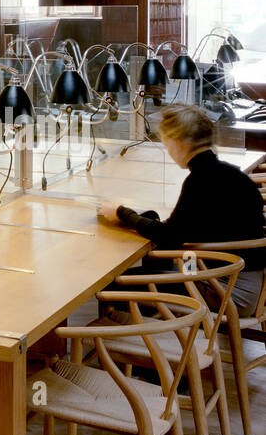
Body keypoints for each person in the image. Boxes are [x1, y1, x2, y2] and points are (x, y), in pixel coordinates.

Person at [100, 105, 266, 315]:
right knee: (154, 263)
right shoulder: (230, 174)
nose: (167, 149)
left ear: (181, 142)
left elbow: (169, 237)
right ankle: (167, 324)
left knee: (115, 286)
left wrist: (122, 212)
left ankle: (160, 335)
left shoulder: (200, 181)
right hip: (242, 280)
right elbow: (186, 228)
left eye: (167, 141)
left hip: (228, 293)